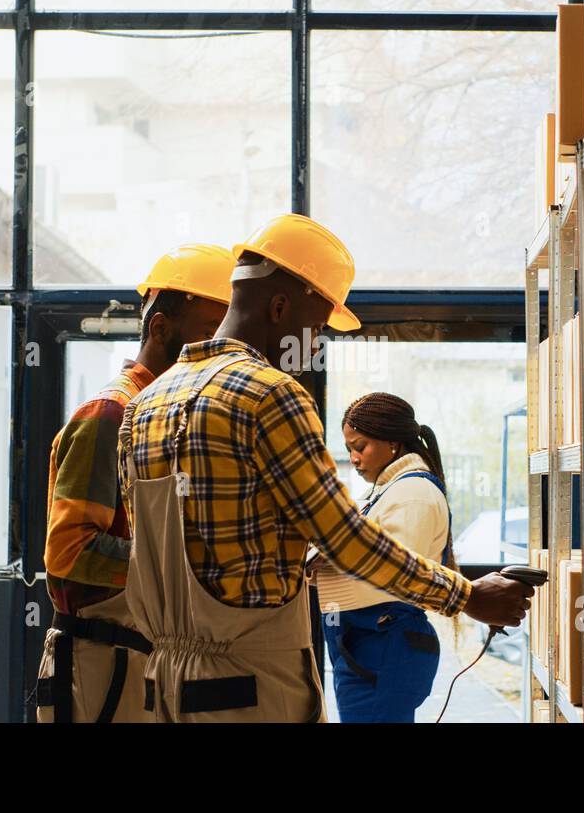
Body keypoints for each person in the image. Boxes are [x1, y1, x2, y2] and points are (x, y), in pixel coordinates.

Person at [116, 214, 532, 723]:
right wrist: (467, 595)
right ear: (280, 306)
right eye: (314, 328)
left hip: (162, 685)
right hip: (250, 683)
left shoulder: (144, 404)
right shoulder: (269, 394)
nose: (313, 344)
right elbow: (346, 540)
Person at [34, 244, 234, 723]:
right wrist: (180, 562)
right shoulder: (110, 415)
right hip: (100, 662)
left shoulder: (159, 419)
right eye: (206, 335)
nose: (213, 354)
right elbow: (69, 551)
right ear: (160, 328)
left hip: (139, 657)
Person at [314, 392, 454, 722]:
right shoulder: (388, 490)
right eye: (349, 448)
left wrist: (332, 558)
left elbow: (398, 575)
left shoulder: (412, 495)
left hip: (383, 646)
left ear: (392, 442)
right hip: (368, 646)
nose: (354, 458)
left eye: (360, 446)